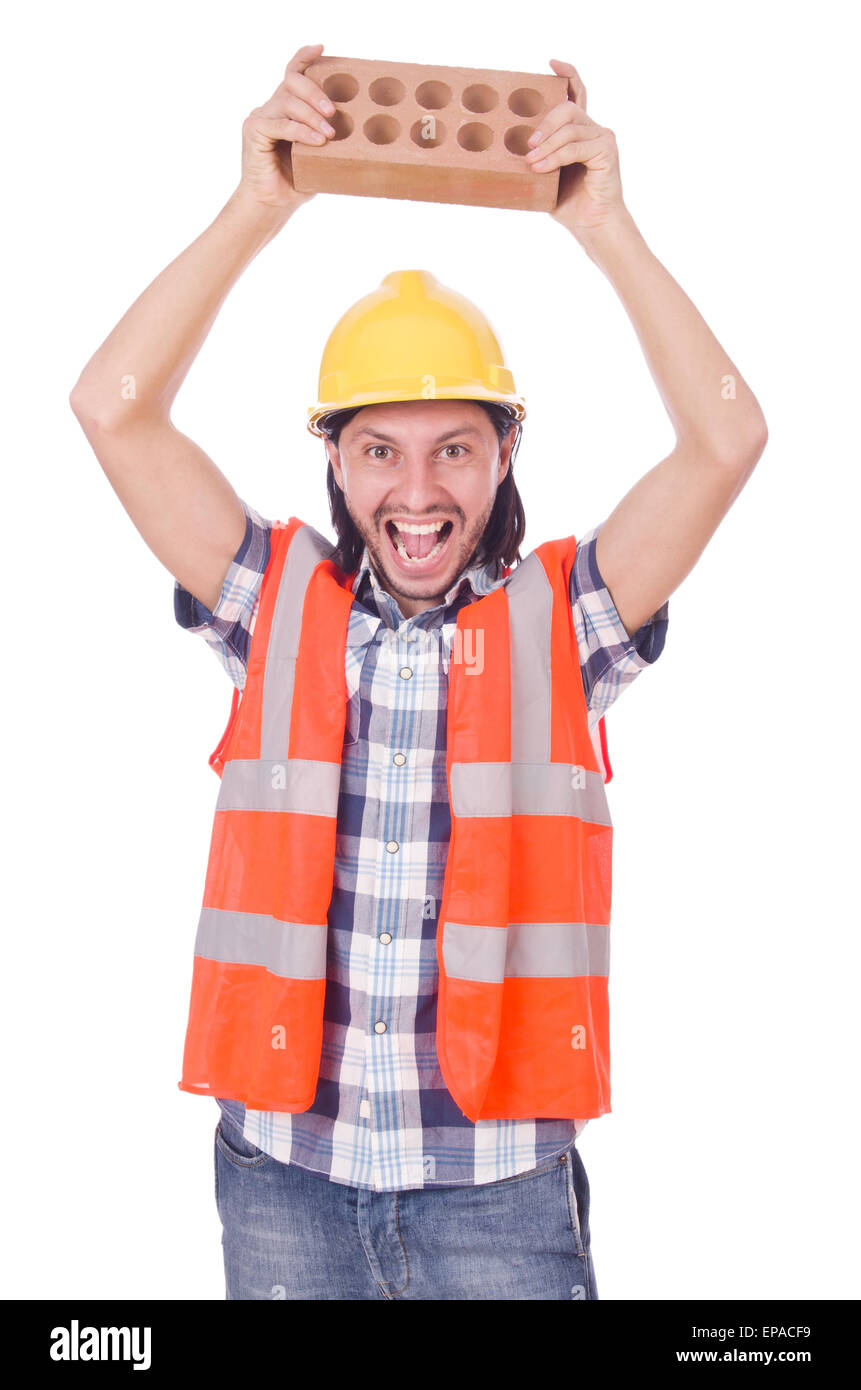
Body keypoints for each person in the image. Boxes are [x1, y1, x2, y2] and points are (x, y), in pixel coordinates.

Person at [70, 44, 767, 1301]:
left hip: (496, 1191)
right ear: (334, 461)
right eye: (377, 448)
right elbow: (111, 405)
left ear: (505, 454)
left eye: (455, 446)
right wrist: (257, 207)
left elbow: (729, 437)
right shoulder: (271, 602)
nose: (417, 490)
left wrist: (604, 227)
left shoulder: (571, 618)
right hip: (283, 1180)